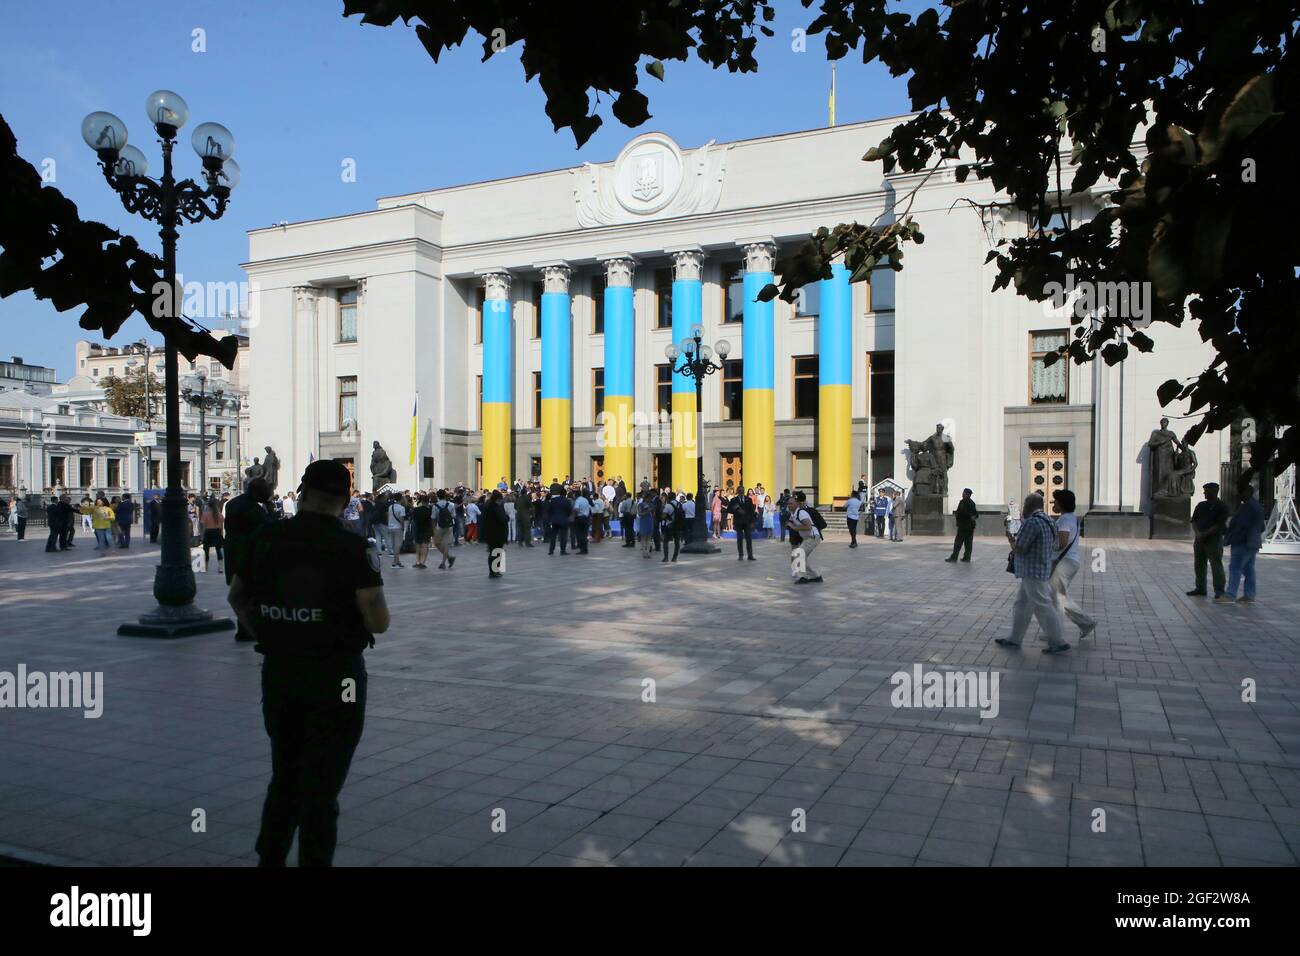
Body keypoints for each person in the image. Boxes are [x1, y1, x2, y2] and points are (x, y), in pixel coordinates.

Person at [227, 459, 389, 868]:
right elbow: (377, 621)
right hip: (336, 677)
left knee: (285, 777)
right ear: (346, 497)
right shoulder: (353, 546)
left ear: (301, 493)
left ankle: (270, 860)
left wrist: (267, 631)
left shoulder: (266, 538)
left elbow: (236, 597)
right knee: (321, 789)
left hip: (280, 670)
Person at [996, 494, 1069, 653]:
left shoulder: (1032, 522)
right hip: (1041, 567)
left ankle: (1057, 641)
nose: (1023, 507)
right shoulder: (1048, 520)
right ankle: (1015, 638)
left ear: (1030, 505)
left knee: (1042, 605)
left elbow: (1020, 548)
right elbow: (1055, 544)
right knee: (1022, 605)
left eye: (1025, 504)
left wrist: (1011, 540)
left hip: (1031, 571)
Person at [225, 478, 275, 643]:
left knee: (240, 593)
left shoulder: (233, 503)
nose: (268, 495)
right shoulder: (253, 508)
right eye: (265, 492)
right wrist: (271, 510)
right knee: (249, 594)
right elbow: (267, 529)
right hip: (247, 555)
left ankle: (243, 629)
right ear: (257, 492)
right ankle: (247, 629)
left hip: (233, 553)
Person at [1048, 489, 1096, 639]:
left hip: (1065, 562)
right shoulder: (1072, 518)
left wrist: (1047, 545)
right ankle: (1084, 623)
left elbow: (1061, 543)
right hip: (1070, 561)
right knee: (1058, 596)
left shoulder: (1064, 520)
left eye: (1055, 501)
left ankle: (1057, 631)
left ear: (1061, 503)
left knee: (1057, 597)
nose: (1053, 503)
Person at [1221, 484, 1267, 604]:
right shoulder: (1257, 506)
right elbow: (1261, 527)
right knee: (1249, 569)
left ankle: (1230, 594)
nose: (1239, 495)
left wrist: (1231, 536)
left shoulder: (1248, 507)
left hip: (1243, 542)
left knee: (1235, 568)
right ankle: (1249, 595)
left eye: (1241, 492)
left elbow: (1241, 525)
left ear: (1247, 492)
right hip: (1253, 542)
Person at [1187, 482, 1229, 599]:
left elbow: (1219, 524)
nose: (1204, 493)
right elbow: (1194, 520)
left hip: (1214, 539)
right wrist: (1198, 533)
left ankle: (1219, 590)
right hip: (1200, 539)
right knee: (1199, 564)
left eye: (1207, 491)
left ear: (1215, 491)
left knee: (1216, 564)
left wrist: (1205, 533)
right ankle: (1200, 587)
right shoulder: (1201, 505)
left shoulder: (1222, 506)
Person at [786, 491, 823, 584]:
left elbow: (808, 526)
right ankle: (816, 576)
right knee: (802, 558)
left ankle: (803, 577)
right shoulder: (793, 514)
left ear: (797, 504)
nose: (789, 505)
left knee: (797, 555)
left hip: (813, 537)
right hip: (808, 538)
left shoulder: (801, 513)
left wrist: (794, 527)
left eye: (791, 504)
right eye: (788, 504)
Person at [480, 490, 510, 578]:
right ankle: (495, 571)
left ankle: (492, 571)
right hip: (498, 533)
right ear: (498, 499)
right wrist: (507, 517)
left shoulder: (487, 506)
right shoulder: (496, 507)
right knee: (498, 552)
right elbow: (502, 518)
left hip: (489, 532)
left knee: (492, 552)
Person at [947, 489, 979, 562]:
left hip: (964, 525)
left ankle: (954, 557)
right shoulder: (971, 502)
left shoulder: (963, 502)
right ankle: (967, 557)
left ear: (967, 494)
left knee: (958, 542)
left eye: (964, 493)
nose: (962, 494)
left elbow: (962, 513)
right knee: (968, 542)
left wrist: (970, 517)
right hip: (970, 526)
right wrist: (973, 516)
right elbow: (976, 514)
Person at [431, 490, 457, 570]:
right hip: (449, 527)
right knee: (446, 545)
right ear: (445, 495)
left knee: (436, 543)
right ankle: (445, 561)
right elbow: (454, 516)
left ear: (437, 496)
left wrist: (433, 529)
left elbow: (433, 518)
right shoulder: (451, 504)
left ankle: (446, 560)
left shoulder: (435, 506)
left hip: (439, 527)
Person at [200, 496, 226, 573]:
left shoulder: (205, 514)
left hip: (208, 532)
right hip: (217, 532)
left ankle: (206, 567)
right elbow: (221, 526)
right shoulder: (219, 515)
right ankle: (220, 567)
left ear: (208, 506)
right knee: (218, 550)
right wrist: (221, 534)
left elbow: (203, 526)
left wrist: (202, 537)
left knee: (206, 550)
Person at [546, 484, 573, 555]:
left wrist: (551, 518)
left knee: (553, 536)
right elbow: (570, 511)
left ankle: (551, 550)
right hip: (564, 520)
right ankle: (562, 550)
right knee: (563, 536)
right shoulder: (567, 501)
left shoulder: (553, 500)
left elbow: (550, 510)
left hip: (554, 520)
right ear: (565, 494)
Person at [730, 490, 756, 560]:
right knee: (740, 539)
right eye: (740, 490)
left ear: (744, 491)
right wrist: (736, 509)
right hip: (738, 522)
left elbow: (752, 511)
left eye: (742, 490)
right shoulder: (734, 500)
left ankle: (750, 555)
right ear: (737, 491)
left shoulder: (749, 499)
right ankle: (740, 555)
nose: (741, 491)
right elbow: (729, 509)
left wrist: (753, 522)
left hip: (747, 522)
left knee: (749, 539)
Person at [411, 493, 433, 569]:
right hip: (427, 529)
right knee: (425, 546)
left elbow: (413, 520)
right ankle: (422, 562)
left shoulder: (416, 510)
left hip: (417, 529)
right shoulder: (430, 510)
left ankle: (417, 562)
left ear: (422, 501)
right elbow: (432, 521)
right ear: (428, 501)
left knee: (418, 546)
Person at [385, 494, 407, 568]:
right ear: (401, 499)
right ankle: (395, 562)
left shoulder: (390, 507)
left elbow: (388, 517)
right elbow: (401, 519)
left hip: (390, 527)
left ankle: (397, 561)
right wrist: (403, 527)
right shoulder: (401, 508)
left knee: (394, 545)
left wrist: (388, 525)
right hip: (398, 528)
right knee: (398, 545)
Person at [660, 491, 682, 563]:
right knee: (677, 542)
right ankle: (674, 558)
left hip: (670, 525)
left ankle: (666, 558)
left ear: (668, 497)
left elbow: (663, 516)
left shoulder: (668, 505)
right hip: (678, 525)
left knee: (665, 541)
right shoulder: (679, 504)